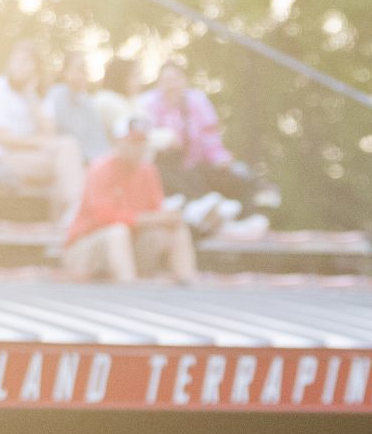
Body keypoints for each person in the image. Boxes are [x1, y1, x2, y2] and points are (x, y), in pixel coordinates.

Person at [60, 115, 199, 284]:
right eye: (133, 141)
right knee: (117, 232)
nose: (139, 147)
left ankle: (188, 281)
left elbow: (156, 211)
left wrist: (169, 217)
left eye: (142, 142)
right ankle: (128, 287)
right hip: (86, 249)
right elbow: (102, 217)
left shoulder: (148, 171)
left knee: (176, 228)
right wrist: (148, 219)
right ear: (119, 142)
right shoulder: (100, 169)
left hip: (128, 249)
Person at [137, 59, 268, 237]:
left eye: (176, 78)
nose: (172, 84)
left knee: (237, 173)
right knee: (173, 173)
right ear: (159, 83)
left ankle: (245, 219)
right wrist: (168, 141)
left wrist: (220, 158)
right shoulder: (147, 104)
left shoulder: (197, 101)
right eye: (166, 79)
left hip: (196, 165)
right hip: (162, 167)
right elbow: (146, 140)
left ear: (184, 81)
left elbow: (210, 136)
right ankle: (206, 208)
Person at [0, 41, 83, 223]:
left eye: (25, 62)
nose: (18, 66)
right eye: (15, 61)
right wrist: (40, 143)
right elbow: (3, 139)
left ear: (36, 68)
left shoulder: (39, 94)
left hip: (28, 158)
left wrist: (31, 97)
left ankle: (66, 223)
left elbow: (49, 133)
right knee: (66, 155)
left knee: (66, 157)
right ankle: (76, 209)